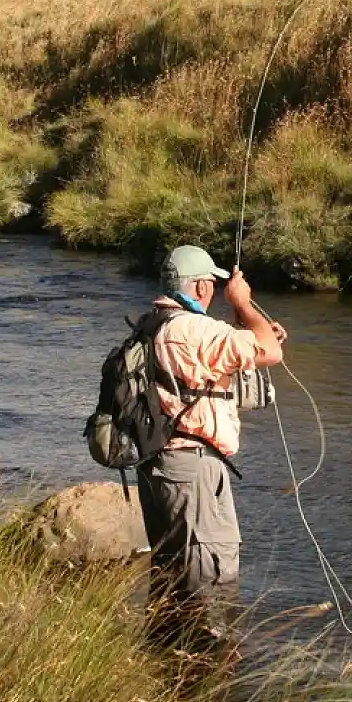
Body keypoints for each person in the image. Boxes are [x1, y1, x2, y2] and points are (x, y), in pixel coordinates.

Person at [136, 244, 287, 654]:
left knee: (173, 574)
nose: (217, 291)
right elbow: (269, 352)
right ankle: (204, 672)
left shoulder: (155, 322)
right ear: (201, 285)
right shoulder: (195, 330)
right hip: (193, 471)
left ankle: (163, 666)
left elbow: (222, 354)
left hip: (160, 469)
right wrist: (244, 304)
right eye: (215, 285)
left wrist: (251, 325)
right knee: (210, 577)